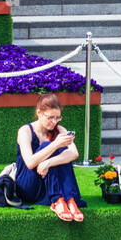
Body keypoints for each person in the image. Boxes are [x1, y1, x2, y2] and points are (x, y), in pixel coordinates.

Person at [14, 94, 84, 222]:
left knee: (63, 152)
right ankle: (58, 200)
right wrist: (55, 144)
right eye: (50, 117)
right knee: (51, 146)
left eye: (58, 118)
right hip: (28, 184)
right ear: (39, 113)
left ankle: (68, 200)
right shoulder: (25, 131)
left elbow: (74, 153)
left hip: (47, 182)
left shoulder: (60, 129)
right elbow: (30, 163)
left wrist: (48, 163)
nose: (54, 122)